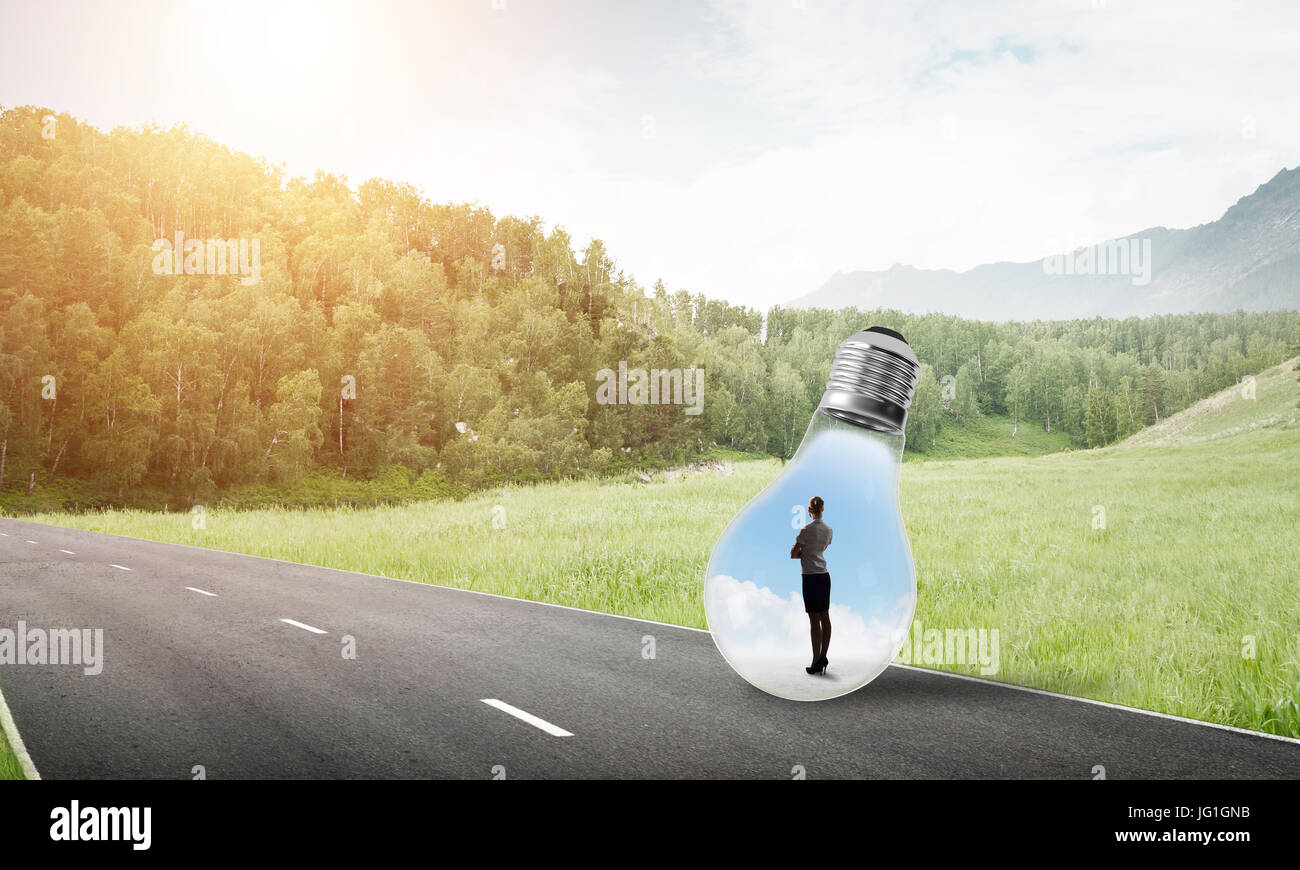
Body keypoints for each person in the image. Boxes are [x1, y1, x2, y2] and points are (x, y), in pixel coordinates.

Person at [790, 496, 832, 675]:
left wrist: (804, 555)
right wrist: (812, 554)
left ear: (809, 511)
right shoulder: (829, 530)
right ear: (823, 509)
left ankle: (815, 660)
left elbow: (793, 553)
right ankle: (823, 656)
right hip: (824, 576)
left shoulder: (805, 530)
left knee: (814, 621)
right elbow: (821, 550)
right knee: (825, 618)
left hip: (809, 578)